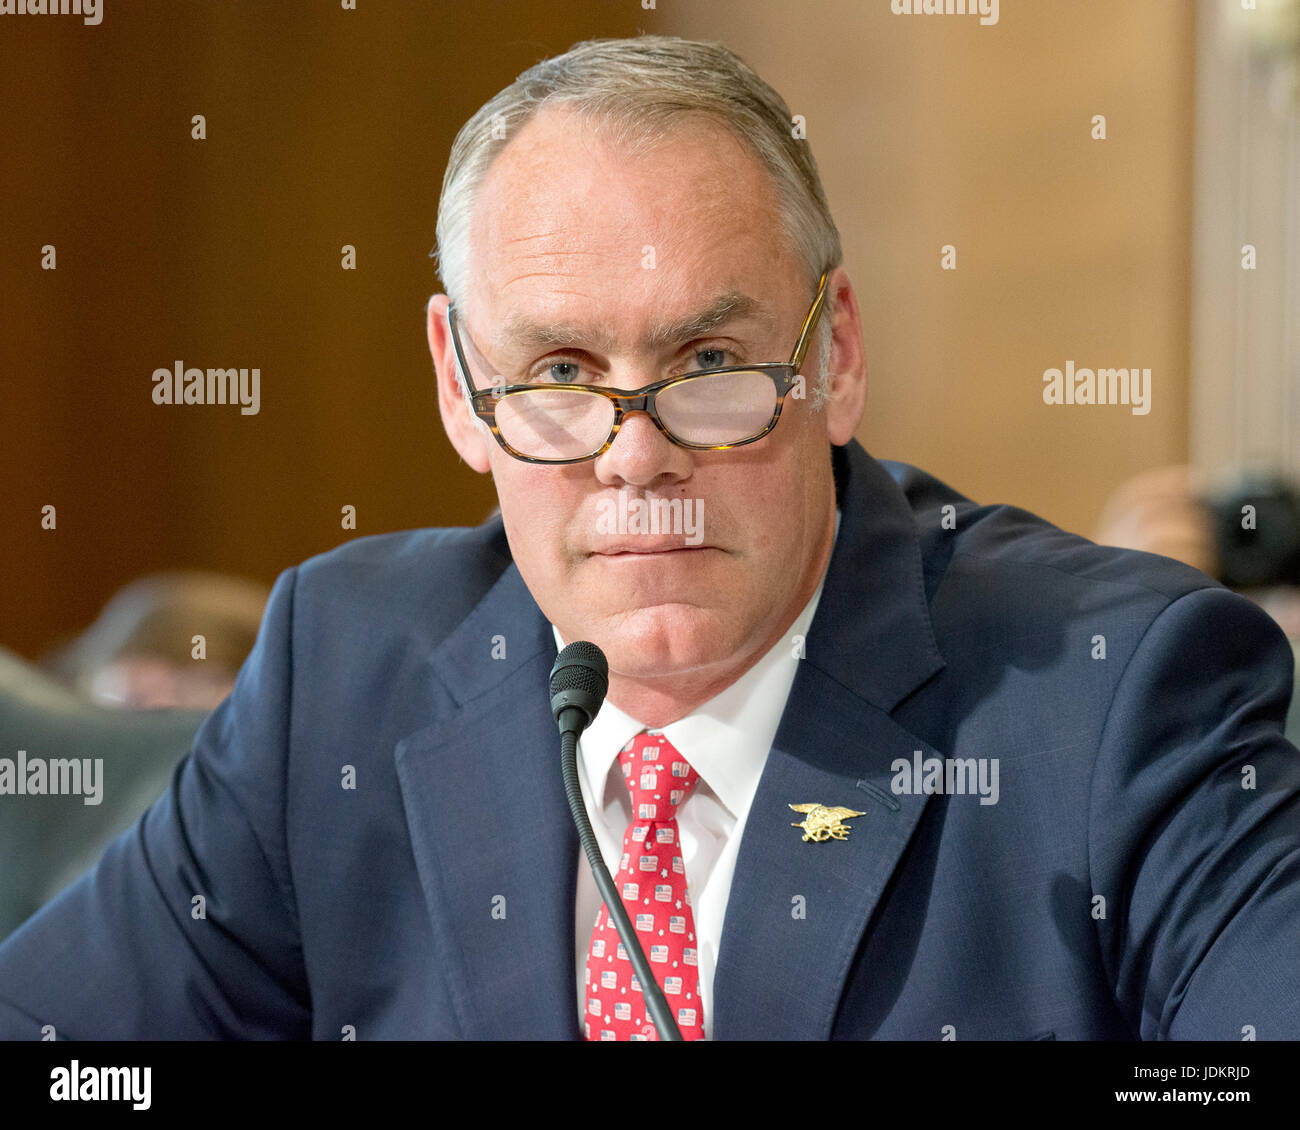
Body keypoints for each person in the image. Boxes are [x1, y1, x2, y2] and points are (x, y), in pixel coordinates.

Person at [1, 34, 1298, 1041]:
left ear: (834, 353)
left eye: (710, 360)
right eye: (561, 371)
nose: (637, 452)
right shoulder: (337, 677)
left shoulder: (1114, 693)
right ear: (461, 388)